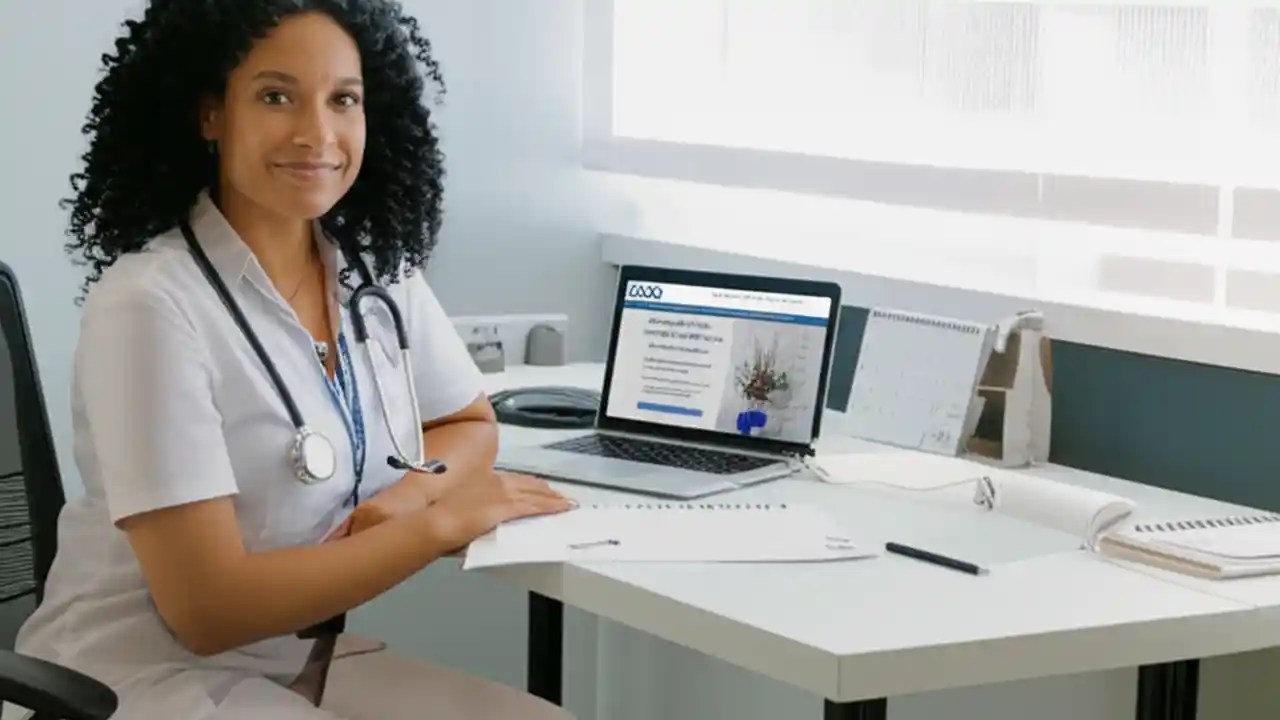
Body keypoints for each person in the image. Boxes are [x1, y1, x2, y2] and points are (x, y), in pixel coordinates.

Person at [9, 1, 576, 718]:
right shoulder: (149, 306)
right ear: (211, 113)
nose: (317, 134)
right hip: (136, 677)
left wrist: (403, 499)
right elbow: (207, 611)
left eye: (343, 99)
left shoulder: (371, 272)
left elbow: (467, 421)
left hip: (295, 657)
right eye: (276, 96)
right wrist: (430, 527)